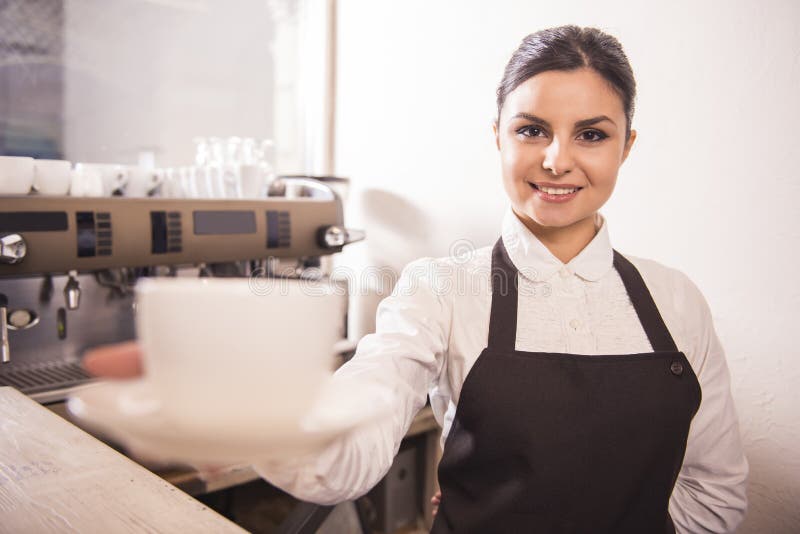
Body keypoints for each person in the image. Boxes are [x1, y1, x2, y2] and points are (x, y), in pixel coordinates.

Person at [85, 25, 748, 533]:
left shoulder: (675, 301)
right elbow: (354, 450)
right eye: (532, 129)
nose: (555, 159)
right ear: (498, 137)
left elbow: (714, 494)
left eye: (592, 135)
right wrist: (257, 414)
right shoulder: (442, 289)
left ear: (627, 145)